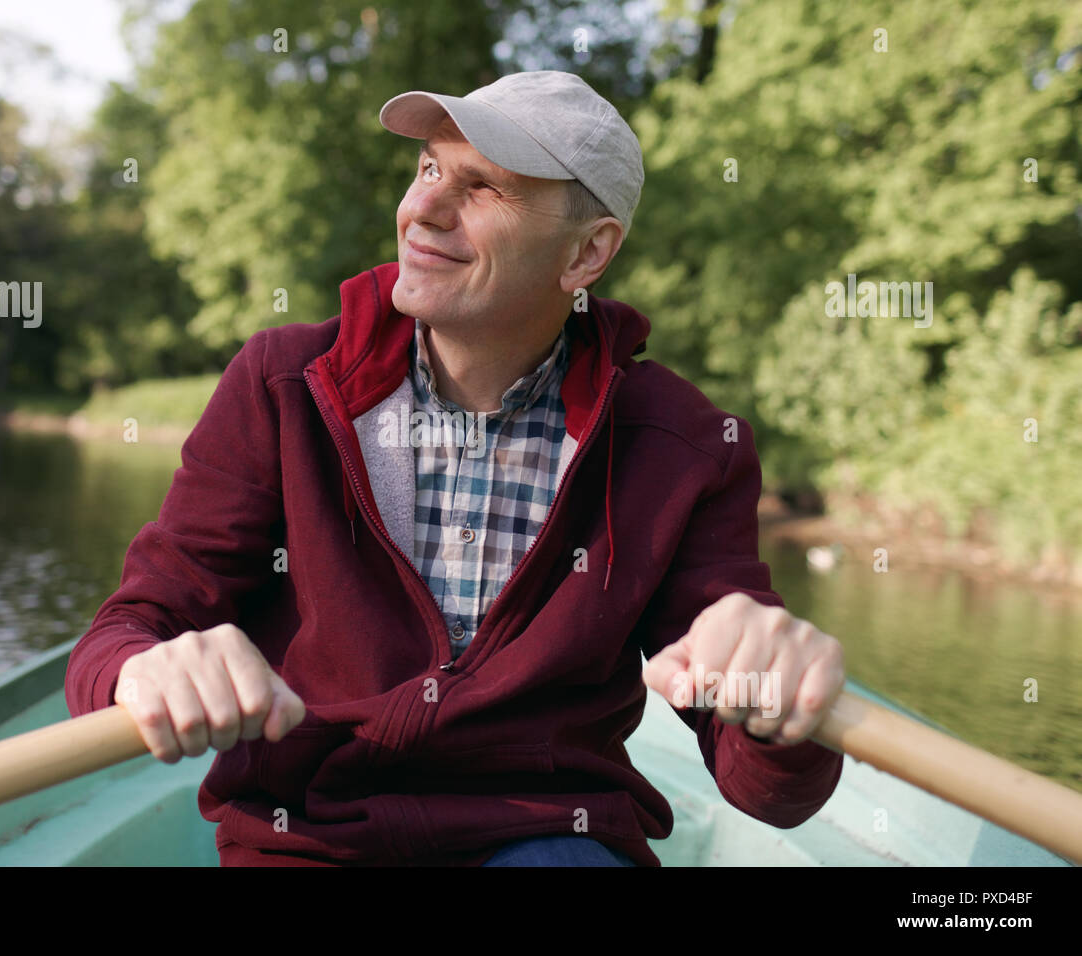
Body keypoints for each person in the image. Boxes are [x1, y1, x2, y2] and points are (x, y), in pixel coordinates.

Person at [64, 70, 846, 867]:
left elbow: (769, 793)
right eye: (431, 168)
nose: (423, 210)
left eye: (483, 188)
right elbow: (126, 631)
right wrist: (143, 670)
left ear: (587, 253)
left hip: (548, 840)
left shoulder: (684, 444)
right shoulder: (280, 385)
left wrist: (773, 703)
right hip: (311, 844)